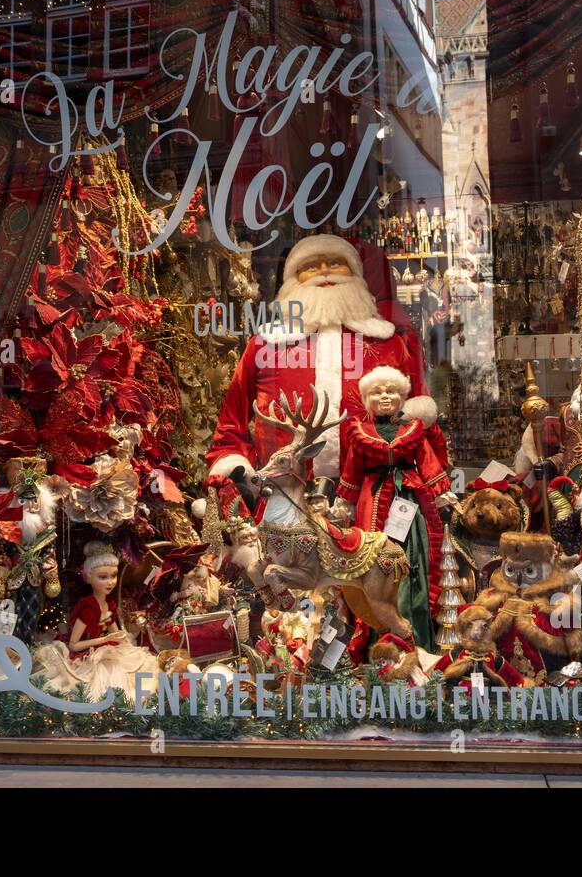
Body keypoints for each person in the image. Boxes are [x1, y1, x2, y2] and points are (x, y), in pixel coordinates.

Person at [206, 233, 438, 485]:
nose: (325, 272)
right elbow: (232, 423)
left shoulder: (387, 343)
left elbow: (415, 419)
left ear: (354, 275)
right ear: (294, 280)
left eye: (336, 263)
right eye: (312, 266)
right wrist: (234, 466)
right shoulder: (267, 345)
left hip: (370, 493)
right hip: (284, 491)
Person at [336, 365, 454, 652]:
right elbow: (351, 470)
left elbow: (427, 462)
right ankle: (381, 641)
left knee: (414, 559)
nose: (385, 397)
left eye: (390, 391)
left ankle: (418, 637)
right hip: (372, 502)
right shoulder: (359, 432)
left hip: (410, 500)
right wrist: (344, 503)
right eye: (377, 392)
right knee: (376, 564)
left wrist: (442, 492)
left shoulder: (412, 431)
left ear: (401, 397)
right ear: (367, 400)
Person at [30, 542, 158, 700]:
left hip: (102, 649)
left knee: (136, 666)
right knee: (102, 680)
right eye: (103, 577)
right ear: (89, 577)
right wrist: (105, 639)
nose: (110, 582)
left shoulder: (108, 604)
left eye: (113, 576)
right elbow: (74, 645)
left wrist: (125, 644)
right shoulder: (89, 609)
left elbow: (115, 632)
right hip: (84, 655)